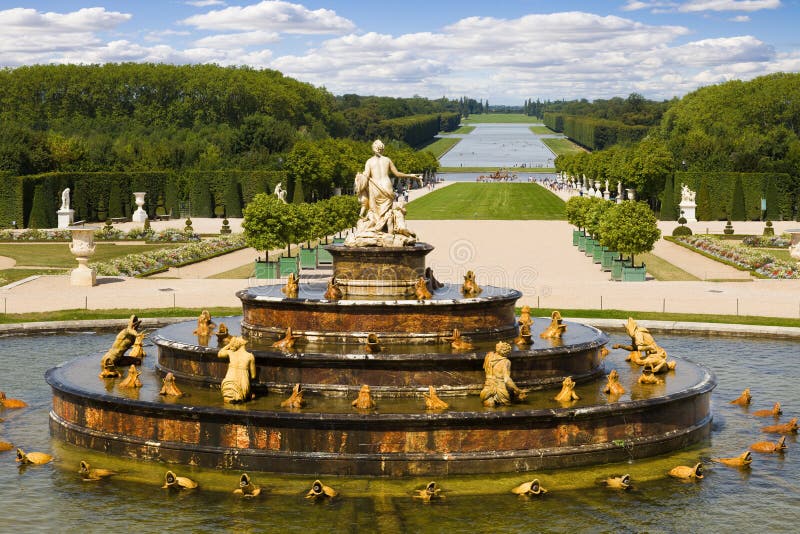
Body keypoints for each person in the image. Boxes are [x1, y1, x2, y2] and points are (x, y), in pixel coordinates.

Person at [355, 139, 422, 235]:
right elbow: (397, 174)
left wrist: (359, 184)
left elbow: (365, 177)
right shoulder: (387, 160)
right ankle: (388, 231)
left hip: (376, 188)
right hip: (387, 186)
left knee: (375, 211)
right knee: (388, 212)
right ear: (382, 149)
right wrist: (410, 175)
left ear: (373, 149)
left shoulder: (369, 161)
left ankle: (377, 229)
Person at [480, 341, 527, 407]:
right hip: (500, 390)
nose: (500, 342)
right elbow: (507, 380)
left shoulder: (489, 356)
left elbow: (485, 368)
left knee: (488, 410)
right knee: (504, 410)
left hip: (487, 388)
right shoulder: (506, 362)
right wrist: (518, 390)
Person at [217, 336, 256, 403]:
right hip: (242, 385)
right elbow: (253, 376)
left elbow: (220, 353)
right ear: (243, 343)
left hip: (228, 384)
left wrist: (229, 344)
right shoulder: (250, 356)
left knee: (227, 403)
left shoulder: (231, 353)